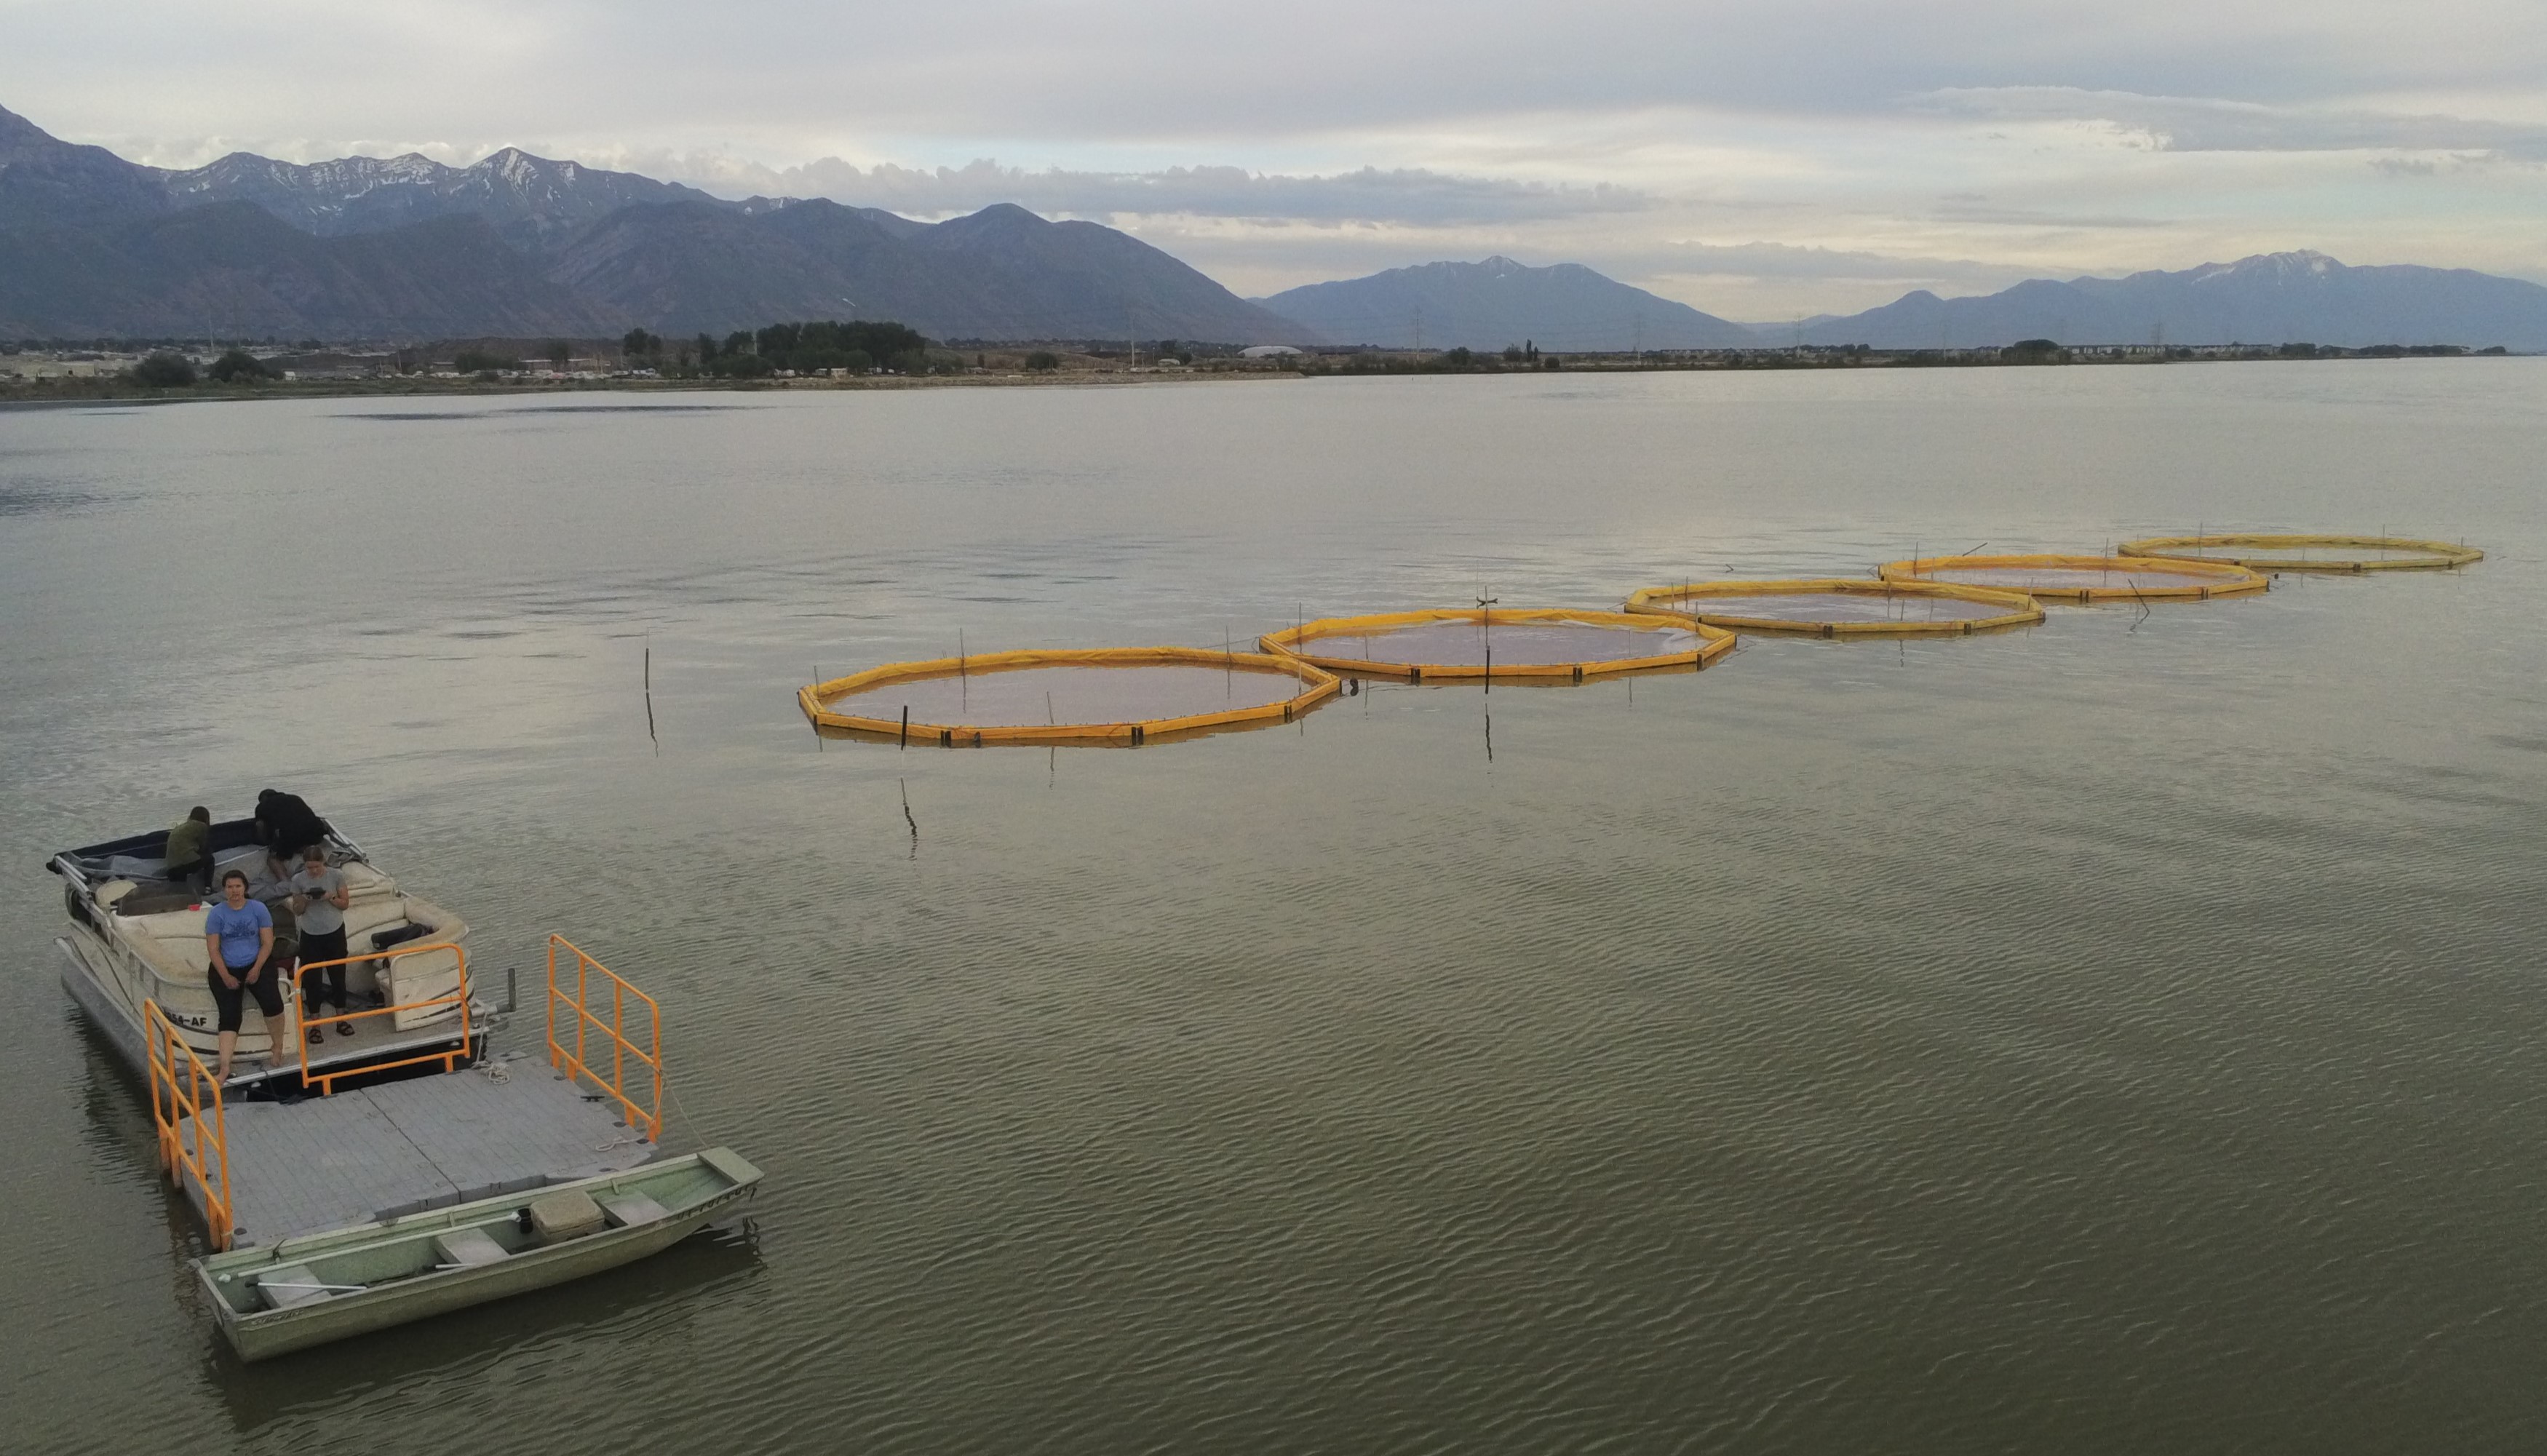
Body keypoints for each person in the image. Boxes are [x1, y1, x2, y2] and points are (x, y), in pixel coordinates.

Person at [202, 870, 286, 1081]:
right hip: (227, 964)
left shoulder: (258, 909)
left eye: (238, 886)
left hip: (257, 960)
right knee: (230, 1016)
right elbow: (213, 949)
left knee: (273, 1003)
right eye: (230, 887)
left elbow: (267, 943)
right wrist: (226, 975)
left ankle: (277, 1045)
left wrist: (256, 968)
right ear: (224, 890)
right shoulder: (217, 914)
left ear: (245, 888)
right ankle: (224, 1066)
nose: (234, 891)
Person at [290, 846, 354, 1040]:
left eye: (316, 867)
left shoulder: (336, 876)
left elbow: (345, 903)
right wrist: (305, 899)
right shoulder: (298, 880)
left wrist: (330, 897)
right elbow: (297, 910)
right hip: (310, 934)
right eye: (309, 868)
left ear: (323, 863)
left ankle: (341, 1018)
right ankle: (315, 1024)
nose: (313, 871)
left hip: (334, 931)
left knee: (338, 975)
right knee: (312, 979)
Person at [164, 806, 212, 893]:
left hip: (171, 869)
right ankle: (208, 888)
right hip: (187, 864)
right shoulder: (201, 826)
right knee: (210, 860)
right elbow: (203, 847)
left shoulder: (179, 828)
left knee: (181, 891)